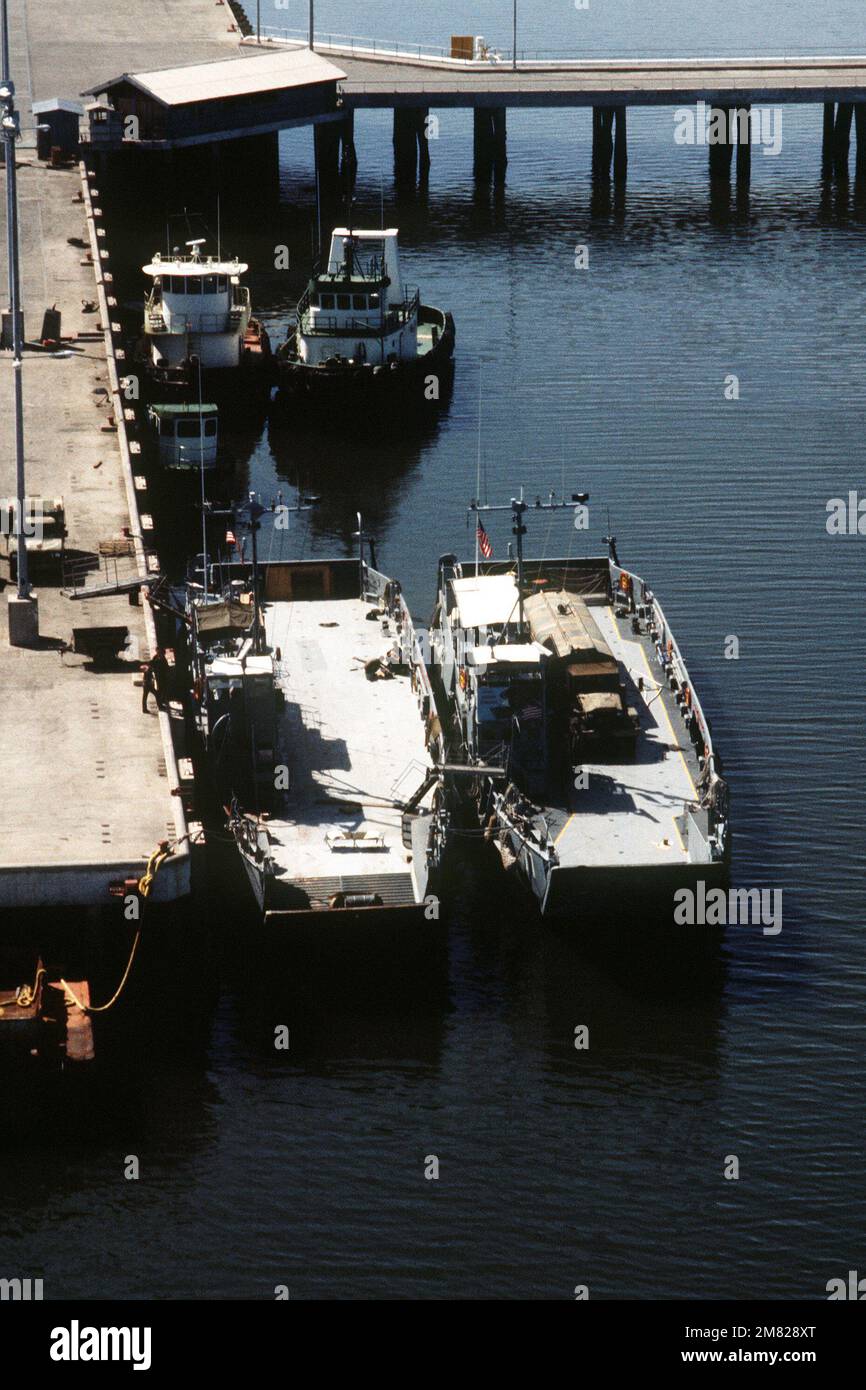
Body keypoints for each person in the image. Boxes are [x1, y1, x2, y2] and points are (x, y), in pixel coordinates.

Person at [141, 649, 169, 714]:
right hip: (148, 684)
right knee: (156, 694)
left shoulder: (150, 665)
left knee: (145, 696)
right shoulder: (150, 667)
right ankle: (160, 706)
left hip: (146, 684)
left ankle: (144, 709)